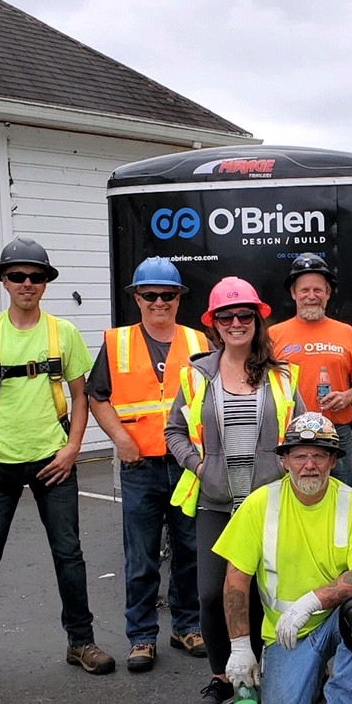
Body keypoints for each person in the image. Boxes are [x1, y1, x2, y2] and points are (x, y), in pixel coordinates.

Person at [0, 237, 114, 694]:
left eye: (36, 277)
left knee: (69, 556)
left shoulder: (64, 333)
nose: (27, 284)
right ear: (3, 281)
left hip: (53, 460)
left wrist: (74, 447)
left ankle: (81, 642)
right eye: (17, 276)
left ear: (46, 283)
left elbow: (81, 397)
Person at [217, 412, 352, 704]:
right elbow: (235, 579)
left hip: (335, 621)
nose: (309, 465)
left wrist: (312, 603)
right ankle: (312, 679)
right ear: (284, 461)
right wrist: (239, 646)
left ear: (332, 460)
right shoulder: (261, 504)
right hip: (285, 633)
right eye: (299, 455)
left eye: (319, 455)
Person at [166, 276, 302, 704]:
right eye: (227, 316)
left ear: (258, 320)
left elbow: (300, 433)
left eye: (246, 315)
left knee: (264, 594)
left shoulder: (281, 376)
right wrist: (200, 466)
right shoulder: (197, 374)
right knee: (210, 595)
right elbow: (173, 432)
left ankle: (260, 671)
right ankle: (224, 678)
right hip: (216, 502)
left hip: (269, 503)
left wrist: (289, 468)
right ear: (215, 324)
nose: (237, 322)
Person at [87, 257, 210, 673]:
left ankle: (186, 626)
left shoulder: (199, 342)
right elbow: (96, 396)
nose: (160, 302)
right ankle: (141, 637)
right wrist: (121, 439)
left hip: (187, 464)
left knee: (191, 550)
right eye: (150, 295)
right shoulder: (117, 341)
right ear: (136, 298)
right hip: (140, 466)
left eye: (168, 295)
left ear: (179, 299)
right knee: (141, 556)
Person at [269, 253, 352, 487]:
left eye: (318, 290)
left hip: (336, 434)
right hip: (289, 436)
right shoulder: (273, 336)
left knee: (342, 499)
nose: (311, 296)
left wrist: (346, 397)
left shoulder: (346, 333)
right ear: (293, 293)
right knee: (289, 500)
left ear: (328, 294)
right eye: (304, 290)